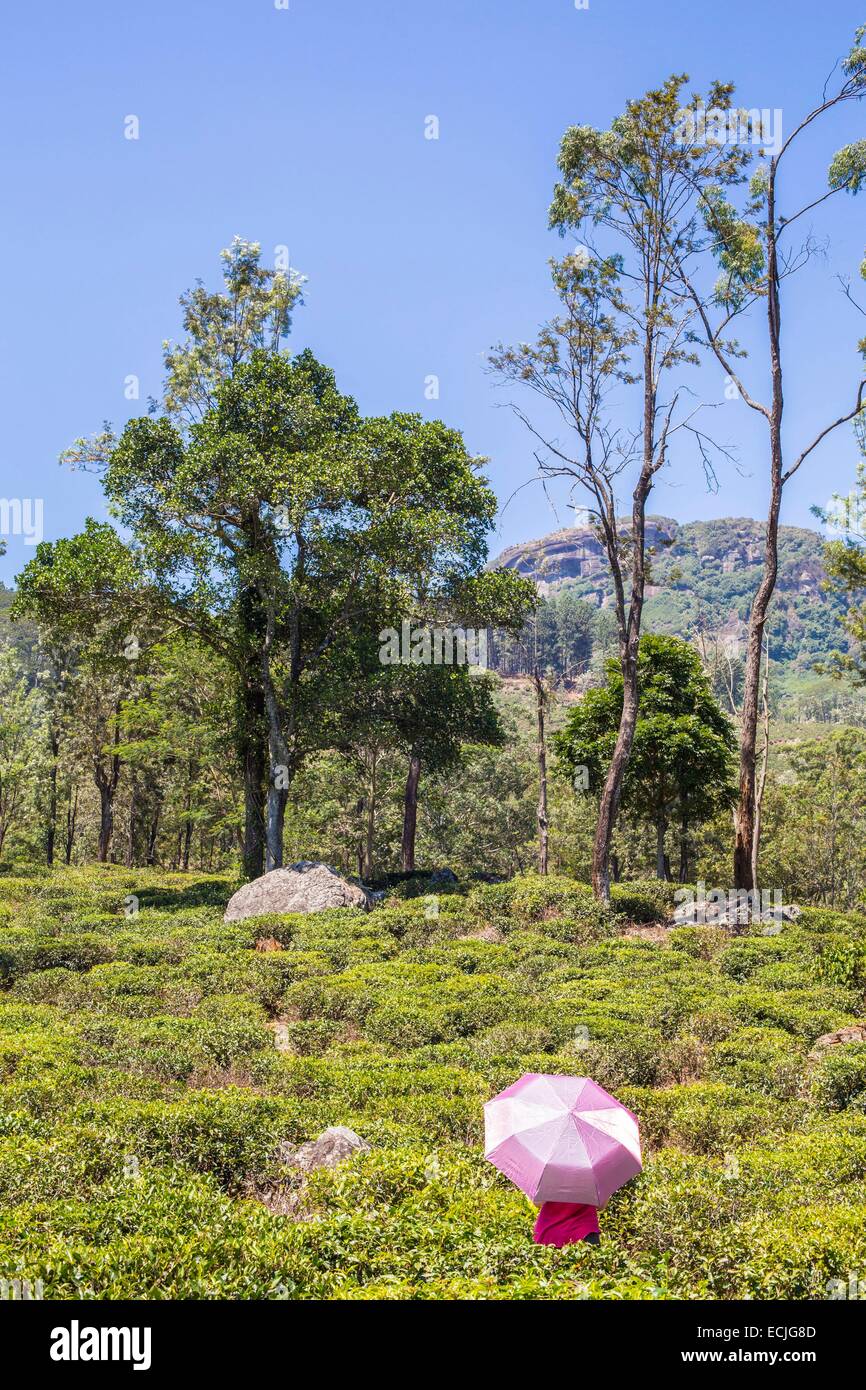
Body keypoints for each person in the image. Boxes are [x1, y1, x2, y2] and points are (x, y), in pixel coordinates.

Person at [533, 1201, 600, 1247]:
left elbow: (537, 1203)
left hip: (549, 1231)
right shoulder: (591, 1180)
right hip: (585, 1231)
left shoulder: (549, 1180)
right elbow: (601, 1205)